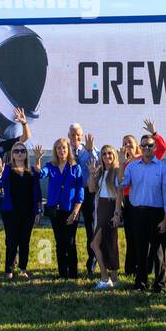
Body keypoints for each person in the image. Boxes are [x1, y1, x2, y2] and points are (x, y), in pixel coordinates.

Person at [121, 133, 166, 293]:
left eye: (150, 145)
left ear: (155, 148)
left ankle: (159, 284)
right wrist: (121, 164)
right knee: (140, 249)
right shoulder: (131, 166)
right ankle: (141, 283)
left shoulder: (162, 168)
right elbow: (121, 184)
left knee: (158, 251)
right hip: (136, 213)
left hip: (156, 213)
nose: (146, 148)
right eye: (143, 145)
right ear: (140, 147)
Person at [0, 107, 32, 269]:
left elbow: (24, 138)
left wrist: (24, 123)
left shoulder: (6, 144)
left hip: (6, 194)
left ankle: (13, 257)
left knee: (12, 228)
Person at [0, 141, 42, 279]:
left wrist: (38, 210)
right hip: (10, 212)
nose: (20, 153)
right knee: (11, 241)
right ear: (12, 154)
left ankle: (22, 269)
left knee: (24, 241)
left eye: (22, 150)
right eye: (16, 151)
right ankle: (9, 270)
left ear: (26, 154)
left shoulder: (32, 171)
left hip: (28, 212)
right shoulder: (6, 170)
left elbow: (37, 192)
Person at [40, 138, 86, 279]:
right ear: (55, 150)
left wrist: (75, 212)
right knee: (59, 242)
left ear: (68, 150)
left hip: (71, 210)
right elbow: (41, 174)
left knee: (70, 241)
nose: (62, 150)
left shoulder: (75, 167)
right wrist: (37, 160)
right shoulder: (50, 166)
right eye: (59, 148)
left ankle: (73, 273)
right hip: (55, 211)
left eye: (64, 148)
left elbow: (80, 193)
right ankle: (62, 273)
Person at [86, 140, 124, 289]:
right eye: (104, 153)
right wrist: (91, 174)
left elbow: (119, 193)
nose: (107, 156)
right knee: (107, 243)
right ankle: (113, 278)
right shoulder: (101, 172)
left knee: (95, 244)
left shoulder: (116, 171)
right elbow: (91, 189)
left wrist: (116, 213)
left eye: (109, 153)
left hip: (110, 209)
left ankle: (104, 277)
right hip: (100, 208)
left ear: (114, 155)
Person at [67, 123, 97, 274]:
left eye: (78, 134)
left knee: (90, 228)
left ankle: (91, 261)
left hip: (88, 192)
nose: (75, 137)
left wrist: (91, 150)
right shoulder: (65, 150)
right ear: (68, 136)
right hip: (72, 194)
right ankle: (71, 264)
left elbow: (98, 164)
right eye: (72, 135)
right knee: (71, 227)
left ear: (82, 135)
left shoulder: (89, 149)